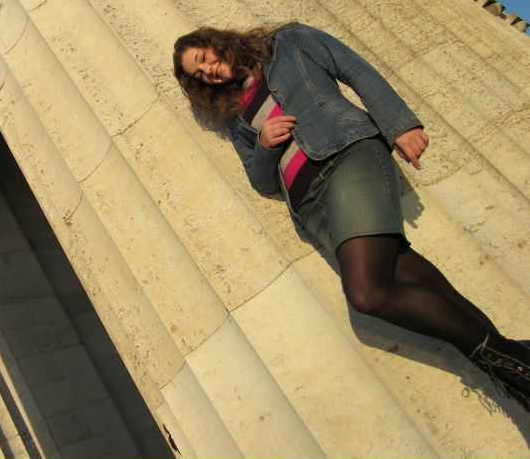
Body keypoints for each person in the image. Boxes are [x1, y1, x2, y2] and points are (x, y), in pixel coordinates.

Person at [173, 22, 529, 410]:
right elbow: (260, 181)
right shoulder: (234, 115)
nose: (207, 70)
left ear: (215, 41)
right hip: (310, 206)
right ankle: (517, 376)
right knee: (412, 278)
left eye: (203, 57)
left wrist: (400, 125)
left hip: (346, 156)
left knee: (367, 293)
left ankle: (519, 365)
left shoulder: (287, 42)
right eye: (198, 73)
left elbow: (356, 70)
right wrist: (264, 143)